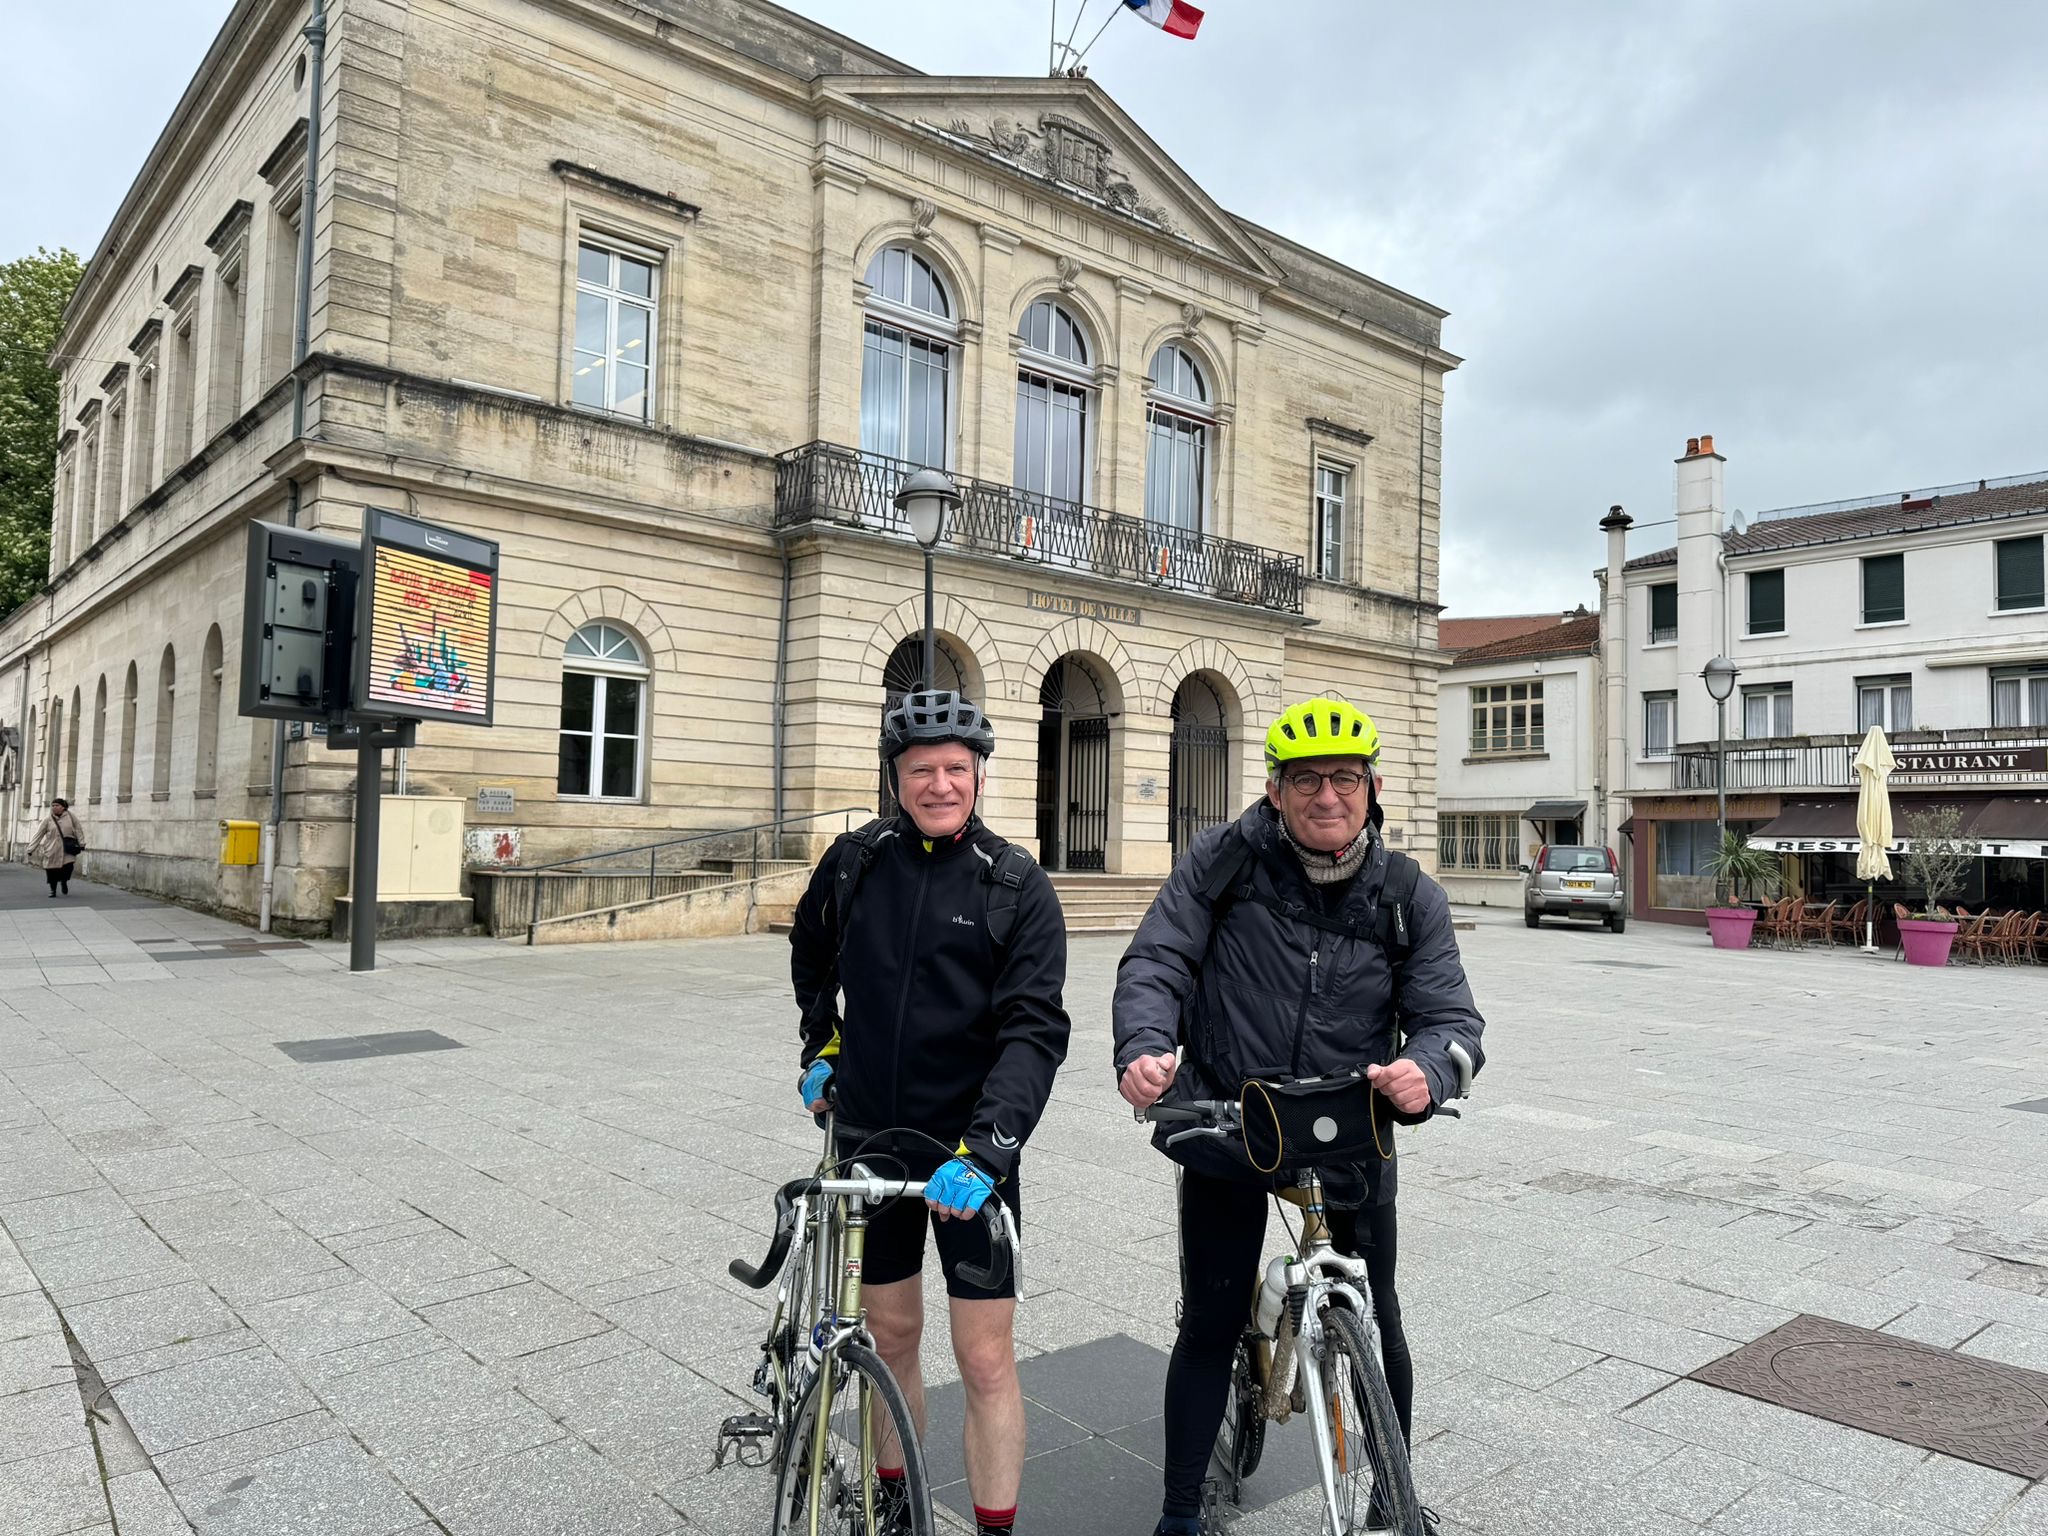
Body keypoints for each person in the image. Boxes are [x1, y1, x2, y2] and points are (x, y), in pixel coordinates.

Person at [1113, 697, 1487, 1536]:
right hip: (1228, 1114)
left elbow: (1452, 1019)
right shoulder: (1225, 862)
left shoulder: (1405, 894)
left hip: (1347, 1125)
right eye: (1307, 779)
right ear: (1275, 790)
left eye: (1345, 779)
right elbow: (1158, 958)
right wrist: (1144, 1046)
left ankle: (1392, 1493)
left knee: (1377, 1311)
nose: (1328, 796)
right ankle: (1181, 1511)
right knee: (1209, 1322)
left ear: (1374, 787)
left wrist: (1427, 1072)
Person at [789, 688, 1072, 1536]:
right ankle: (895, 1502)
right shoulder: (855, 862)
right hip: (872, 1138)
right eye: (922, 770)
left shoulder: (1015, 884)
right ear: (896, 777)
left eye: (956, 768)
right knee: (890, 1335)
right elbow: (811, 958)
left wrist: (986, 1152)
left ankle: (993, 1528)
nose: (940, 784)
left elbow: (1035, 1032)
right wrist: (821, 1050)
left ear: (979, 774)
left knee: (984, 1358)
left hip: (969, 1158)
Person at [29, 797, 85, 898]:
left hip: (67, 849)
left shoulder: (71, 816)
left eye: (57, 805)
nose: (54, 807)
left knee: (68, 868)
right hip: (52, 849)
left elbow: (78, 829)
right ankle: (53, 890)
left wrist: (81, 843)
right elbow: (39, 834)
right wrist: (31, 848)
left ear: (63, 807)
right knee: (51, 871)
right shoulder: (47, 820)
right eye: (53, 806)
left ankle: (64, 881)